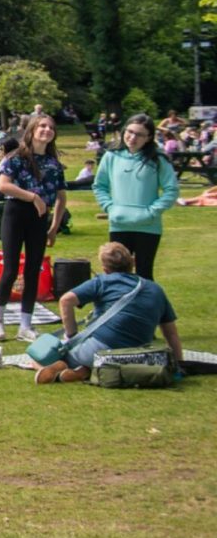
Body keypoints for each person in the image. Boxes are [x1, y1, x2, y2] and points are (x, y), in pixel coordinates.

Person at [30, 243, 183, 384]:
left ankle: (68, 369)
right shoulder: (155, 289)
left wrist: (71, 335)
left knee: (38, 356)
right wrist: (179, 365)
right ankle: (84, 371)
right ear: (133, 262)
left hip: (100, 348)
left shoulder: (103, 282)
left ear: (105, 269)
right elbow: (171, 334)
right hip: (137, 354)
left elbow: (66, 300)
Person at [0, 117, 68, 343]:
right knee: (11, 269)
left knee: (34, 270)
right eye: (42, 126)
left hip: (40, 218)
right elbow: (3, 185)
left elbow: (62, 197)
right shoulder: (16, 157)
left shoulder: (54, 163)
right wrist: (32, 197)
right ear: (32, 130)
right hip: (16, 213)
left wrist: (54, 227)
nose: (47, 130)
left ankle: (26, 324)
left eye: (51, 128)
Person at [91, 114, 179, 280]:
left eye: (139, 134)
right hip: (119, 224)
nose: (132, 137)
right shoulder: (111, 156)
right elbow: (99, 186)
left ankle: (146, 306)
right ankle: (118, 306)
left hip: (148, 226)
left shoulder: (158, 159)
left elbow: (171, 190)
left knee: (144, 273)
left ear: (149, 138)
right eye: (129, 132)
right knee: (117, 275)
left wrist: (152, 211)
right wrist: (110, 208)